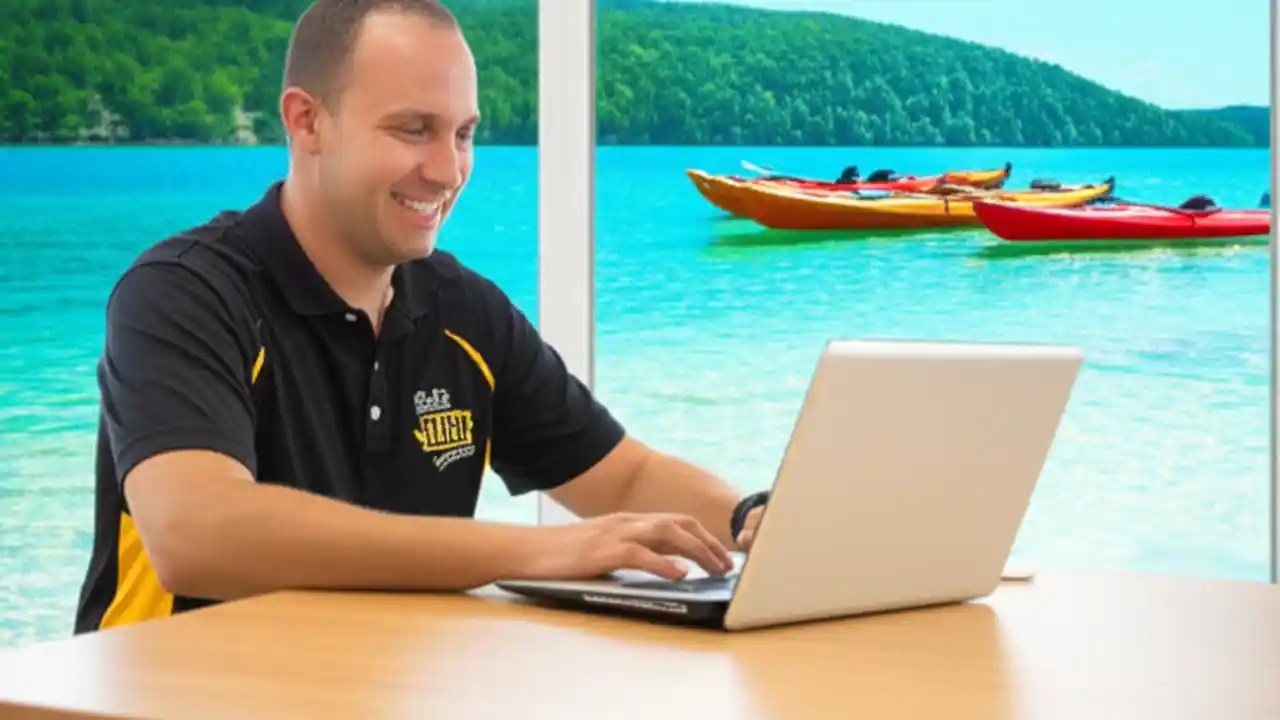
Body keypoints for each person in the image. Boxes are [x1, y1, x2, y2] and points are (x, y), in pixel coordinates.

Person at [73, 0, 768, 634]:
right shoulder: (182, 294)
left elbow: (622, 477)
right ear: (306, 120)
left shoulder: (464, 310)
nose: (448, 170)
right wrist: (540, 550)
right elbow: (198, 534)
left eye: (463, 134)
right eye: (413, 130)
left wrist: (754, 521)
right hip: (164, 696)